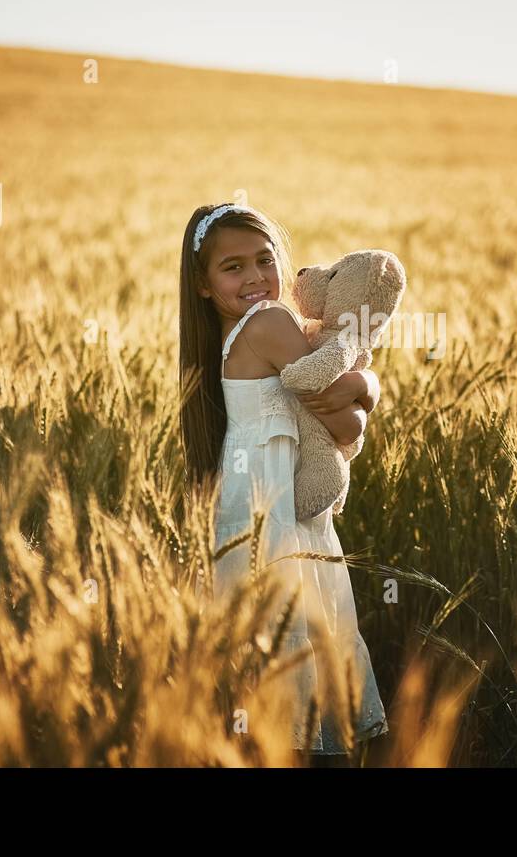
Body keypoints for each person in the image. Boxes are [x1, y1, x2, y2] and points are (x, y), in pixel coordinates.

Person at [178, 201, 389, 762]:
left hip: (246, 512)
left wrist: (357, 384)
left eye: (265, 261)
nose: (255, 278)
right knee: (307, 662)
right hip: (280, 524)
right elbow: (342, 419)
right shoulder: (271, 323)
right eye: (233, 267)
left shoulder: (227, 336)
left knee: (261, 672)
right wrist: (369, 384)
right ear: (203, 283)